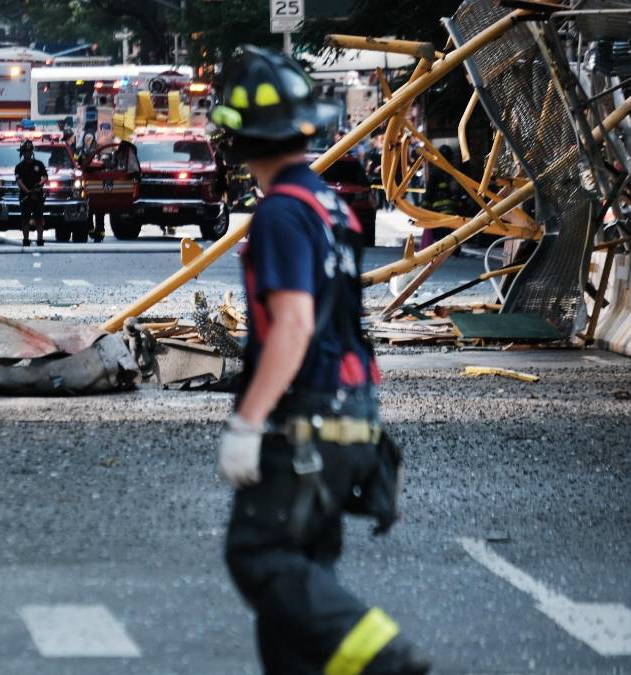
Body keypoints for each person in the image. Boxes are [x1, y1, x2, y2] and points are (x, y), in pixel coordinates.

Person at [210, 45, 430, 675]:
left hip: (309, 415)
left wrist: (248, 423)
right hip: (353, 415)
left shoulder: (280, 212)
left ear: (237, 138)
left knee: (258, 555)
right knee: (296, 594)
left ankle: (384, 655)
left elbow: (295, 327)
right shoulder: (327, 205)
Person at [15, 140, 47, 247]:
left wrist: (39, 185)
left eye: (29, 151)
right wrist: (27, 191)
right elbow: (19, 181)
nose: (27, 153)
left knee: (39, 218)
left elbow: (45, 177)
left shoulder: (39, 164)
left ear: (32, 151)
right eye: (25, 151)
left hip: (37, 196)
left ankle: (40, 239)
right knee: (25, 219)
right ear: (22, 153)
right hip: (25, 196)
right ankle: (26, 239)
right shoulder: (19, 167)